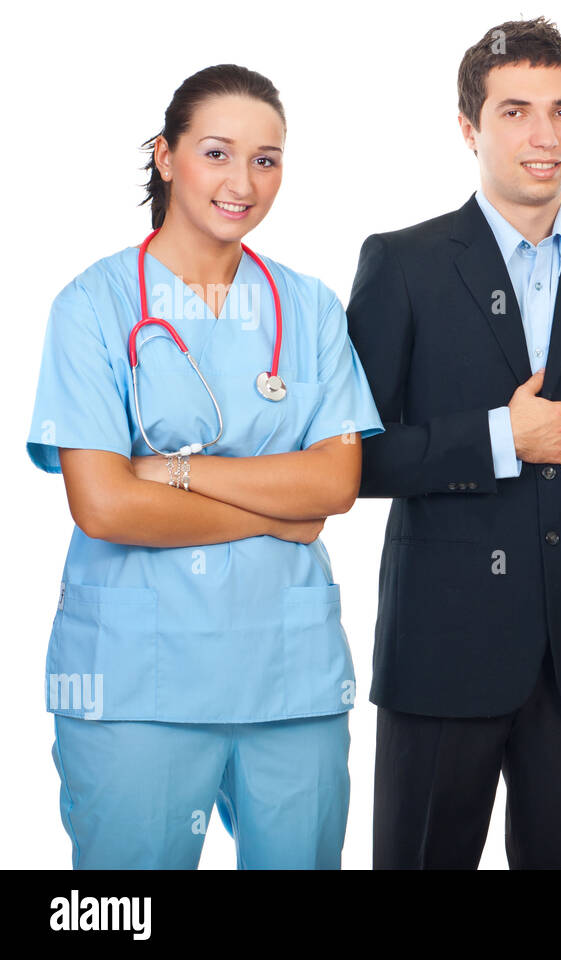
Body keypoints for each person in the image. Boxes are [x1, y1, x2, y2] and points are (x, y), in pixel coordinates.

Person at [346, 18, 561, 869]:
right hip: (441, 656)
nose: (545, 136)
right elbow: (352, 457)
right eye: (516, 111)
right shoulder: (403, 263)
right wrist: (501, 438)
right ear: (470, 129)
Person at [26, 64, 383, 869]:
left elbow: (333, 488)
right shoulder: (94, 306)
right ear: (165, 156)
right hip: (135, 686)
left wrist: (174, 473)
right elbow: (106, 508)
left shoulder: (310, 307)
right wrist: (280, 508)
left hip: (289, 683)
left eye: (267, 159)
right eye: (217, 153)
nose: (243, 182)